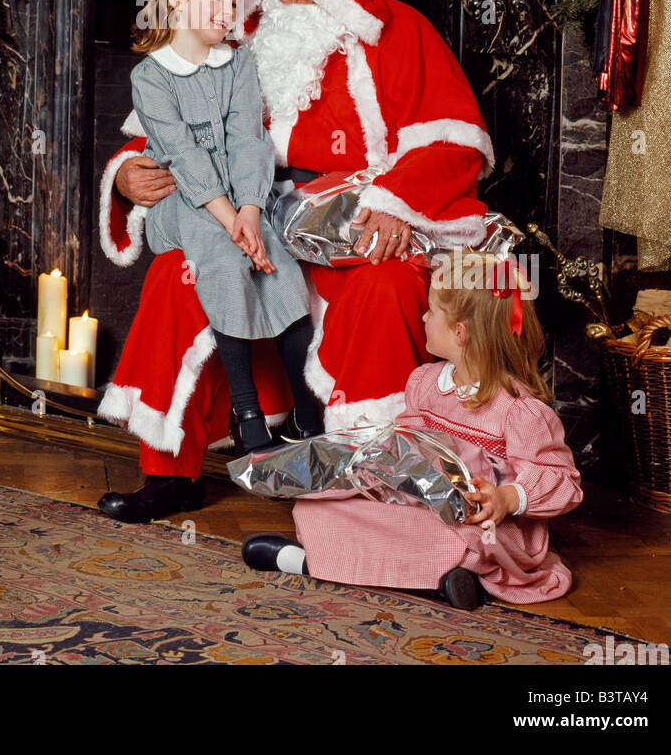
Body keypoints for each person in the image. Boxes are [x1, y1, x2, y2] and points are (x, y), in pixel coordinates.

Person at [97, 0, 495, 524]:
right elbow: (166, 119)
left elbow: (455, 142)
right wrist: (125, 176)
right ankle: (170, 475)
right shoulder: (237, 42)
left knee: (387, 287)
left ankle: (364, 474)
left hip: (350, 228)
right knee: (178, 275)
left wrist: (392, 203)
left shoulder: (401, 32)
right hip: (249, 219)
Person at [242, 253, 583, 610]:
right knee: (320, 510)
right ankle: (441, 579)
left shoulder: (520, 411)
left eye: (431, 311)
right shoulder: (425, 383)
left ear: (459, 333)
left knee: (458, 539)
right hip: (421, 507)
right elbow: (409, 443)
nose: (422, 317)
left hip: (485, 526)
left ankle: (308, 563)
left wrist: (508, 498)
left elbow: (563, 481)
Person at [128, 0, 324, 454]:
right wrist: (232, 220)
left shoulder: (236, 66)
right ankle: (246, 406)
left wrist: (253, 214)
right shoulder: (149, 76)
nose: (228, 12)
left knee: (277, 259)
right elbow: (185, 158)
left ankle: (308, 409)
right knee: (219, 250)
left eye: (235, 1)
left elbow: (247, 142)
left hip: (242, 200)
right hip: (185, 204)